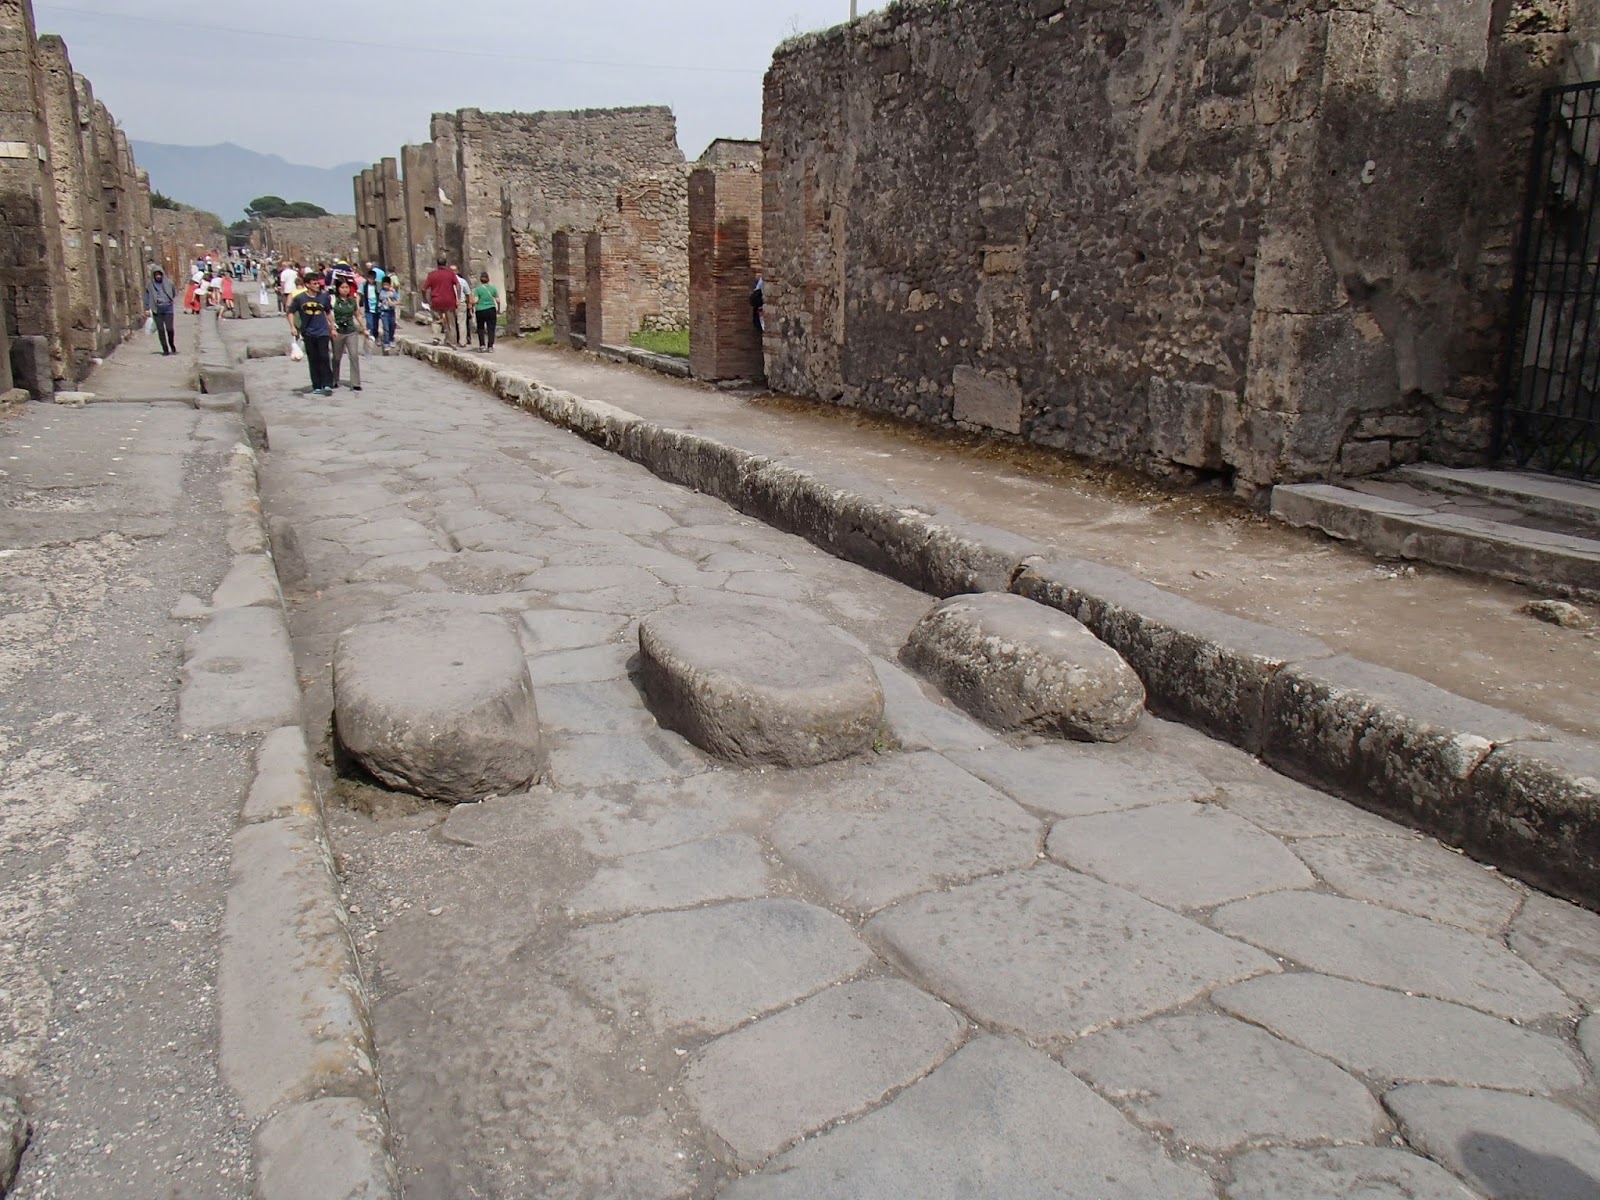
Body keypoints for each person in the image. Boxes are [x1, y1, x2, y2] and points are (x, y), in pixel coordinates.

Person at [287, 273, 335, 395]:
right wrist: (293, 326)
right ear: (307, 285)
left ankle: (327, 384)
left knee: (324, 357)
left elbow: (328, 312)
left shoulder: (324, 297)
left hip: (323, 331)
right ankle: (317, 385)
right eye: (314, 283)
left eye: (318, 283)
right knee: (313, 359)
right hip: (308, 332)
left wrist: (332, 327)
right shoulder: (300, 298)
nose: (317, 285)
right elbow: (290, 312)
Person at [329, 277, 366, 391]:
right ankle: (334, 379)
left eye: (347, 287)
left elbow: (357, 314)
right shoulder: (333, 300)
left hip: (351, 330)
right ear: (338, 288)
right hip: (338, 331)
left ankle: (356, 382)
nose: (345, 290)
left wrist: (364, 327)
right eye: (342, 287)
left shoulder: (352, 301)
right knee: (336, 357)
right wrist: (332, 328)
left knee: (354, 355)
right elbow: (329, 315)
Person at [422, 255, 459, 346]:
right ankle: (452, 341)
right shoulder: (451, 274)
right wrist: (457, 297)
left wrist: (425, 299)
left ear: (437, 264)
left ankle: (436, 338)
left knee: (436, 320)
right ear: (446, 264)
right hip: (449, 300)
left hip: (436, 300)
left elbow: (423, 289)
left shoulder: (432, 275)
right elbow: (458, 285)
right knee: (451, 322)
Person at [144, 267, 177, 355]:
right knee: (161, 330)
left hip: (168, 308)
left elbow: (173, 292)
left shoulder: (169, 283)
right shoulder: (150, 285)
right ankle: (165, 349)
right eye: (156, 274)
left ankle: (171, 344)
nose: (158, 276)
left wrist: (168, 300)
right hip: (157, 309)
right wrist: (147, 308)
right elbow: (147, 296)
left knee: (169, 329)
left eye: (159, 274)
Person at [472, 271, 500, 352]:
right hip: (491, 309)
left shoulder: (478, 289)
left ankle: (482, 345)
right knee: (491, 328)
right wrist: (498, 308)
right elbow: (498, 300)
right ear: (488, 279)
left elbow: (475, 300)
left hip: (480, 310)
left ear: (480, 280)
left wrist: (472, 306)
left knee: (481, 328)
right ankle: (490, 346)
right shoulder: (493, 289)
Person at [377, 276, 399, 352]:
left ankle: (391, 339)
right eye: (384, 285)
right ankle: (386, 343)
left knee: (392, 326)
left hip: (391, 312)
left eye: (387, 285)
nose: (385, 286)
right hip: (384, 312)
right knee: (386, 328)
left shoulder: (393, 292)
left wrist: (393, 303)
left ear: (390, 284)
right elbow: (379, 301)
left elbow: (398, 301)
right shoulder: (381, 292)